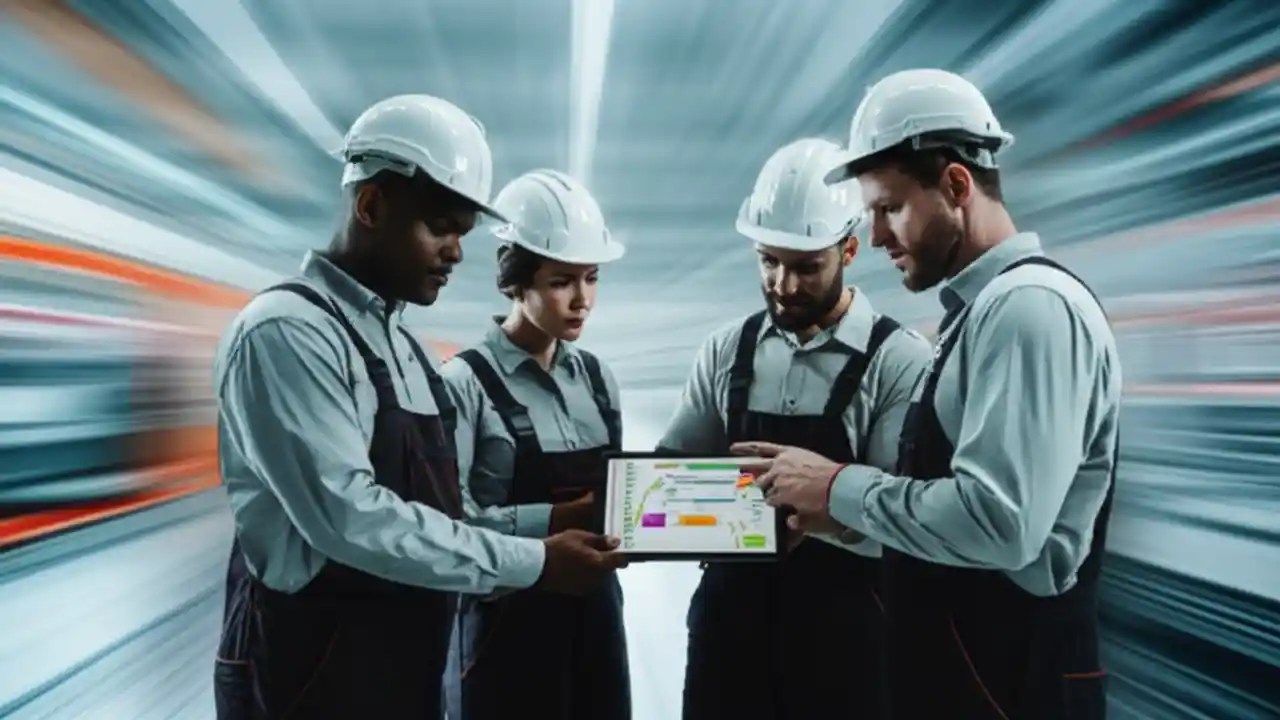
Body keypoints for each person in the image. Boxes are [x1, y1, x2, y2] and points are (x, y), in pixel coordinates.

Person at [211, 95, 627, 720]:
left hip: (401, 673)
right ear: (372, 205)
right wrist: (536, 562)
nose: (457, 252)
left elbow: (443, 516)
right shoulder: (286, 333)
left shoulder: (406, 349)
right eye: (441, 227)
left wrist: (558, 522)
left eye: (463, 233)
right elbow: (351, 519)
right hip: (307, 680)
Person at [743, 68, 1123, 720]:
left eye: (889, 208)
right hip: (968, 677)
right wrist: (844, 525)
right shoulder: (979, 317)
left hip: (1013, 687)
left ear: (955, 184)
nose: (881, 235)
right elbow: (959, 527)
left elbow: (1001, 527)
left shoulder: (1028, 309)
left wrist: (840, 487)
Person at [657, 137, 933, 720]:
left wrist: (812, 512)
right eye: (768, 262)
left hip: (846, 647)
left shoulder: (899, 361)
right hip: (727, 637)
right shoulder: (725, 351)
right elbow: (665, 489)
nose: (783, 285)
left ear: (850, 249)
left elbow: (905, 518)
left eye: (806, 268)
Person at [441, 169, 632, 720]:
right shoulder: (463, 385)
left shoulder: (598, 381)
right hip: (504, 634)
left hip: (596, 621)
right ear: (515, 279)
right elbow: (446, 530)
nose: (582, 300)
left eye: (592, 278)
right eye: (561, 281)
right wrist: (555, 519)